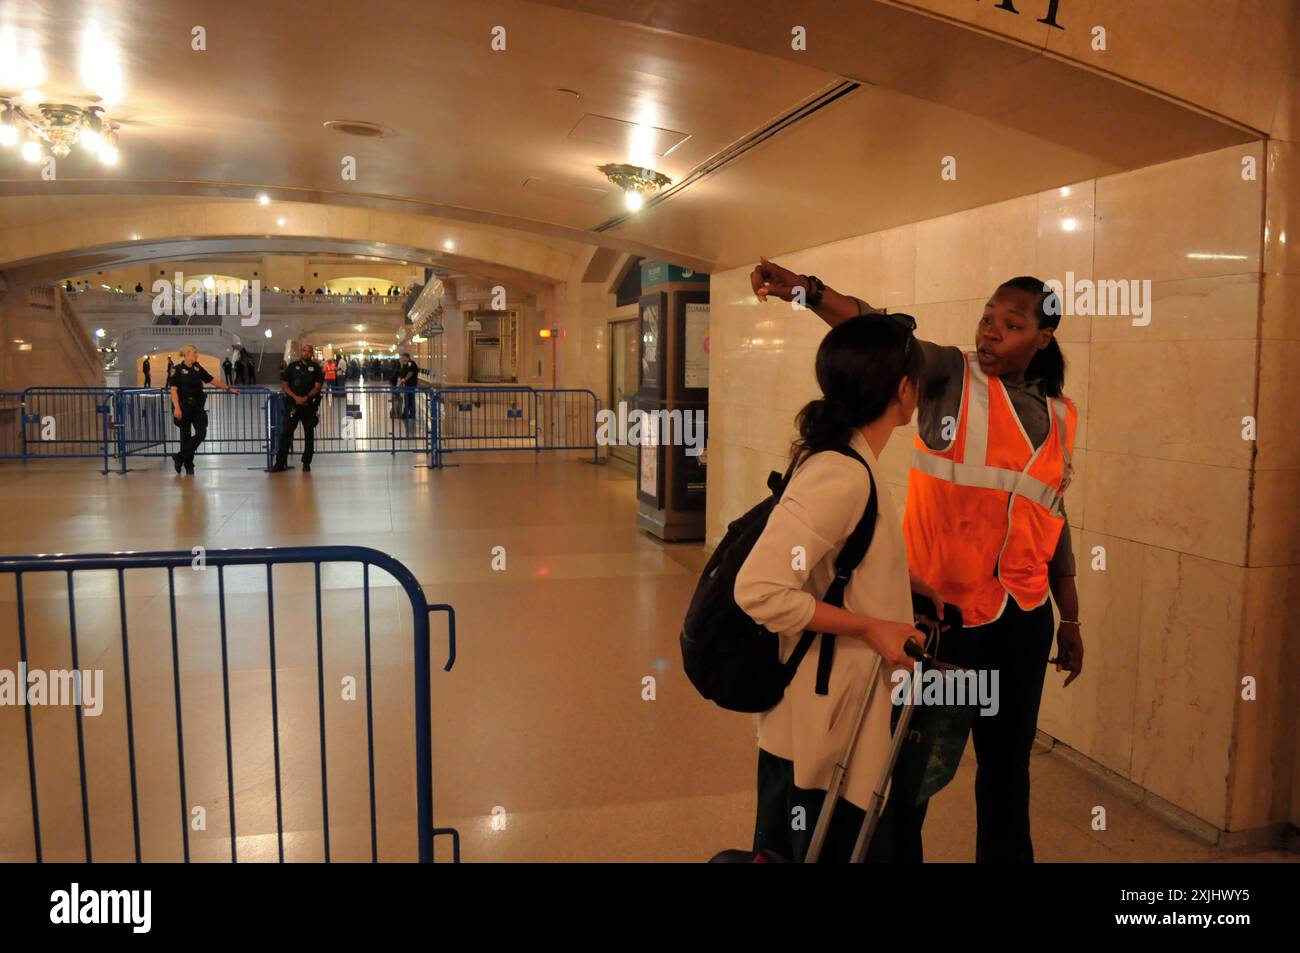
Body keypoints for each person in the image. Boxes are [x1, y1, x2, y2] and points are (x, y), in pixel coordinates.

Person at [751, 257, 1083, 863]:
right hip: (939, 623)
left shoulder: (1062, 415)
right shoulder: (950, 375)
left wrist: (1072, 617)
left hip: (1023, 619)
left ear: (1044, 337)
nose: (989, 332)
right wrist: (807, 292)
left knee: (1008, 772)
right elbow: (880, 332)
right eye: (986, 318)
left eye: (1010, 325)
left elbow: (1054, 517)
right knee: (911, 775)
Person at [735, 315, 926, 863]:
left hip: (837, 706)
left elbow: (837, 559)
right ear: (903, 390)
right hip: (828, 715)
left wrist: (905, 584)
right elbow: (761, 589)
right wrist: (871, 625)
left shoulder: (849, 459)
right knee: (825, 842)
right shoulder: (842, 473)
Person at [169, 344, 239, 474]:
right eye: (194, 352)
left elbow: (212, 380)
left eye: (196, 352)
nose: (197, 355)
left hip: (197, 407)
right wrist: (177, 408)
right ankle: (188, 465)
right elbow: (173, 390)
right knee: (186, 437)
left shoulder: (197, 368)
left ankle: (179, 457)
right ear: (187, 354)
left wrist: (228, 389)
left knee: (201, 433)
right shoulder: (176, 369)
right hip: (183, 407)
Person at [271, 343, 325, 473]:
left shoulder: (316, 368)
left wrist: (306, 397)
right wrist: (296, 397)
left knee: (309, 435)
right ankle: (279, 463)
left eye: (309, 352)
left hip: (309, 406)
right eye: (304, 351)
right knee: (286, 434)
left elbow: (317, 386)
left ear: (312, 353)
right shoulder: (292, 367)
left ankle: (306, 462)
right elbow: (285, 385)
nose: (306, 353)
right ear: (301, 352)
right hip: (293, 405)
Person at [391, 351, 418, 418]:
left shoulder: (411, 363)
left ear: (406, 357)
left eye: (403, 357)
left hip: (411, 385)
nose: (402, 359)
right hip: (407, 385)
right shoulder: (405, 364)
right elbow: (402, 373)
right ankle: (407, 413)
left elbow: (411, 372)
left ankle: (410, 414)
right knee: (408, 399)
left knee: (410, 399)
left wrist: (404, 379)